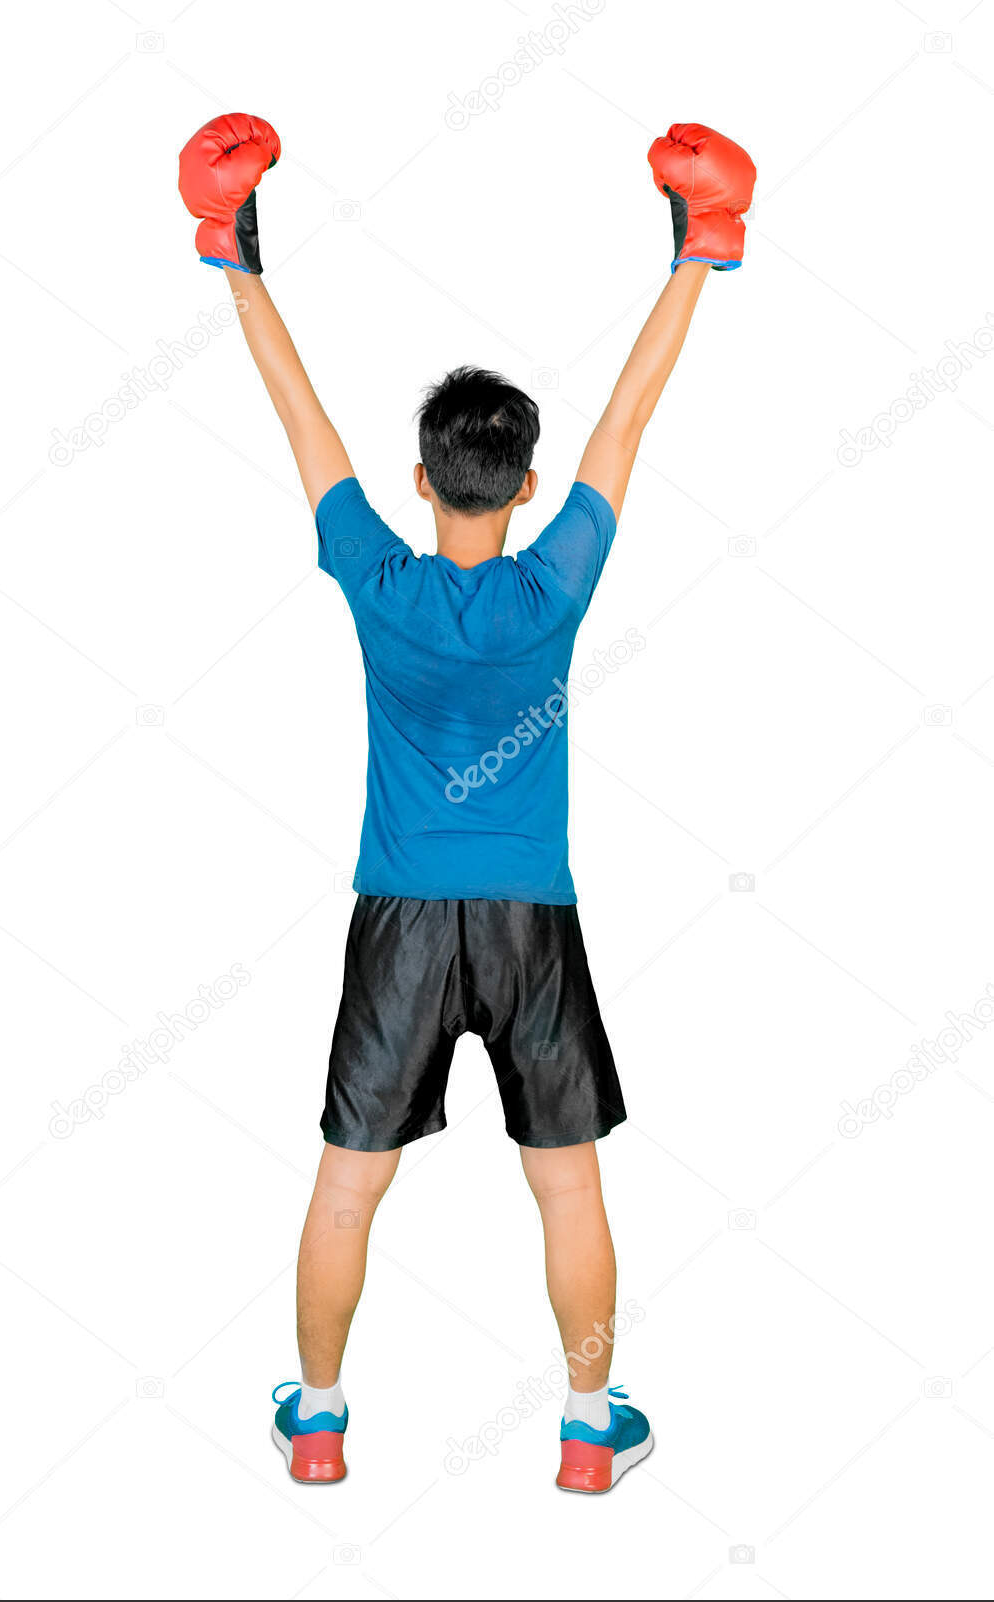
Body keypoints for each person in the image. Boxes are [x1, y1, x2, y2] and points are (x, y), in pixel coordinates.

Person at [178, 116, 755, 1492]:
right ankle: (586, 1428)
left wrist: (235, 259)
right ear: (527, 489)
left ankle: (316, 1421)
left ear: (423, 481)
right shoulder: (555, 584)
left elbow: (300, 417)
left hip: (400, 924)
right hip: (531, 924)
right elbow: (629, 416)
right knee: (567, 1184)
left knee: (344, 1182)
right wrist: (700, 255)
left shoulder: (381, 578)